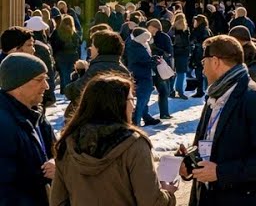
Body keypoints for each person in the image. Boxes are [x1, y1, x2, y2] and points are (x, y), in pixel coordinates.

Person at [178, 34, 256, 206]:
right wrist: (190, 164)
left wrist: (221, 172)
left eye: (203, 63)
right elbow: (208, 144)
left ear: (215, 62)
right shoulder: (215, 95)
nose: (203, 70)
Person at [49, 72, 178, 206]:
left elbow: (58, 200)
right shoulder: (134, 144)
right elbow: (151, 202)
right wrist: (168, 193)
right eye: (131, 99)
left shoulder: (69, 142)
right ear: (118, 103)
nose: (133, 107)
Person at [0, 52, 55, 206]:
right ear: (17, 84)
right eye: (40, 80)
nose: (46, 86)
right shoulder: (4, 125)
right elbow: (6, 189)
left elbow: (56, 151)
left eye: (46, 79)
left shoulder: (36, 115)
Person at [65, 29, 131, 116]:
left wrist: (78, 75)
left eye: (92, 45)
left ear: (99, 48)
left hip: (94, 119)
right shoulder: (123, 70)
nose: (90, 48)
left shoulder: (97, 68)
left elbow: (74, 92)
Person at [126, 28, 162, 127]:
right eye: (145, 38)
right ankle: (136, 121)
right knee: (142, 99)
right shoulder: (136, 47)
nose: (147, 40)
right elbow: (143, 61)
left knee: (144, 99)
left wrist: (153, 59)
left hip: (140, 75)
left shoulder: (137, 45)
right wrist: (154, 62)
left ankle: (146, 117)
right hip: (142, 76)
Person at [50, 14, 81, 95]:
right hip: (72, 55)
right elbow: (78, 44)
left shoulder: (57, 32)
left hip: (60, 56)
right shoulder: (74, 33)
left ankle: (64, 90)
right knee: (69, 73)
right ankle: (67, 90)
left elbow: (52, 43)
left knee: (64, 73)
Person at [170, 13, 192, 99]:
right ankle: (179, 91)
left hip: (173, 53)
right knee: (181, 73)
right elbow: (187, 42)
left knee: (172, 73)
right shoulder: (185, 30)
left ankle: (171, 90)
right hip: (182, 53)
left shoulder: (172, 29)